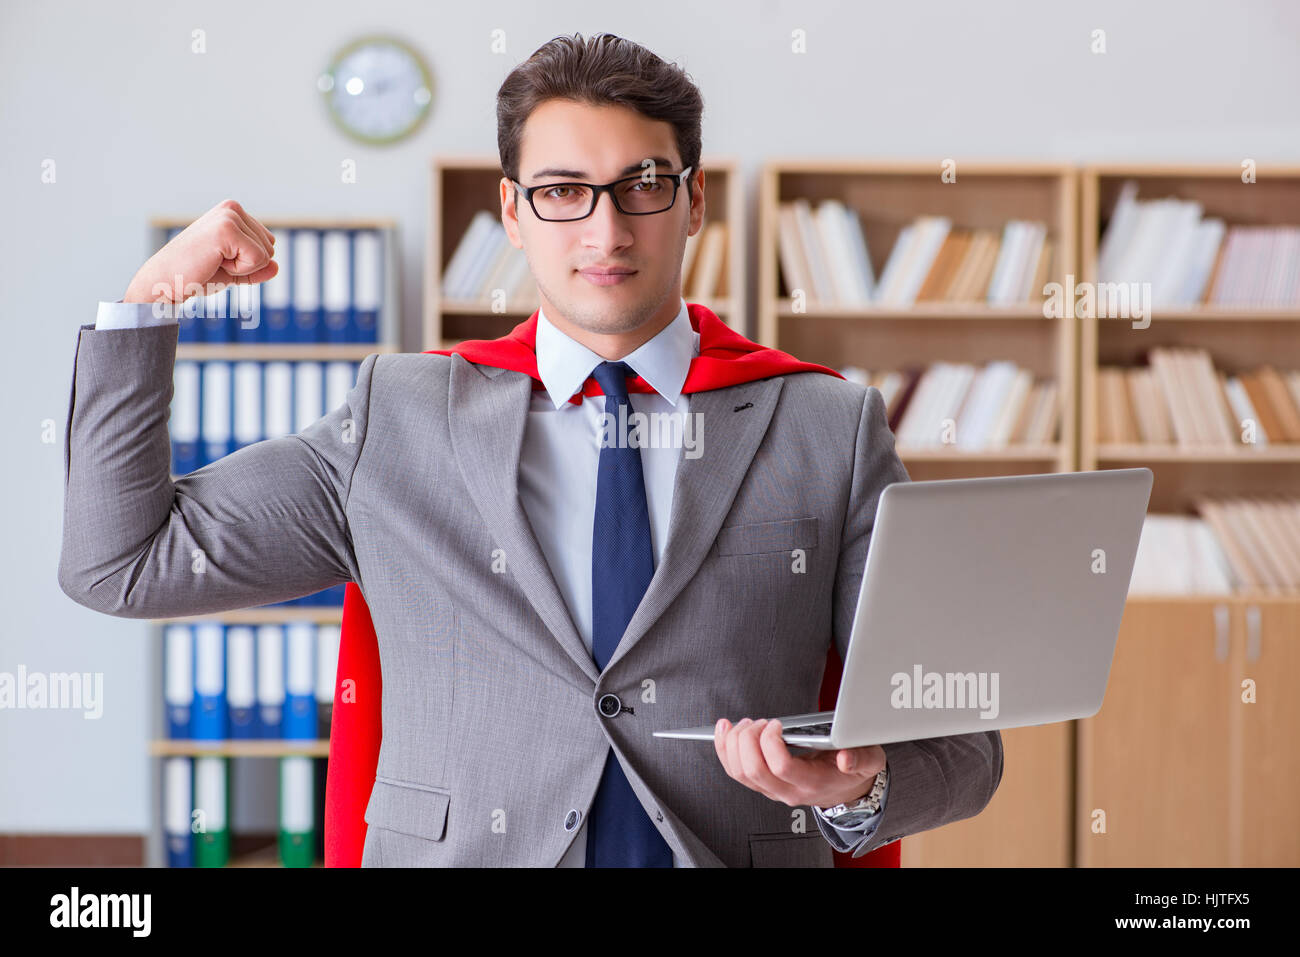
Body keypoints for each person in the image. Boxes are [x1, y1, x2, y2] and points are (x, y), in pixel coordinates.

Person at [58, 32, 1002, 867]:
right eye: (562, 192)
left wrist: (859, 791)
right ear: (512, 211)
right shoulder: (398, 418)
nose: (606, 228)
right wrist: (147, 307)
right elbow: (121, 564)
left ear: (693, 200)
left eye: (642, 184)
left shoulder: (826, 427)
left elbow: (964, 742)